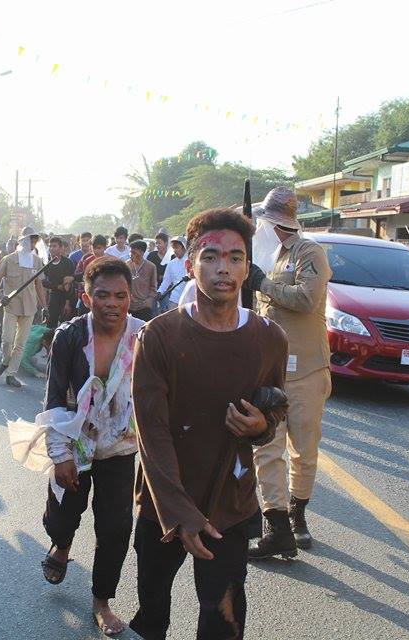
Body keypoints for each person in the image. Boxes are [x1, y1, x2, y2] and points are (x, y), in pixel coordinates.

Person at [129, 208, 288, 640]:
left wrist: (260, 426)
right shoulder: (158, 337)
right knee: (152, 611)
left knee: (223, 620)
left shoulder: (270, 339)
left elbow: (275, 408)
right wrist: (179, 512)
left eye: (236, 258)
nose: (224, 269)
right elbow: (151, 431)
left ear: (248, 268)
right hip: (165, 503)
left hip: (229, 505)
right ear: (189, 265)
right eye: (211, 256)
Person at [40, 257, 144, 637]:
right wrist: (61, 455)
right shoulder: (69, 337)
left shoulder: (144, 337)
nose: (112, 304)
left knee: (116, 528)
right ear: (86, 298)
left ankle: (101, 601)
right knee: (63, 513)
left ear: (130, 298)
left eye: (120, 295)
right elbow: (54, 398)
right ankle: (62, 544)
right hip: (76, 443)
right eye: (102, 295)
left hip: (120, 447)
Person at [248, 187, 333, 558]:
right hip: (272, 370)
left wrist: (263, 284)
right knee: (267, 448)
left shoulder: (309, 252)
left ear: (273, 222)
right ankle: (277, 525)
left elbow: (307, 299)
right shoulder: (273, 256)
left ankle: (298, 515)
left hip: (307, 371)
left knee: (303, 450)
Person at [0, 226, 46, 389]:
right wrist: (0, 296)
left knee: (20, 344)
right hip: (11, 306)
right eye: (30, 240)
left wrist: (44, 306)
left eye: (35, 241)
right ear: (23, 241)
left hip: (29, 307)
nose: (33, 243)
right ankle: (5, 361)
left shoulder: (37, 261)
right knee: (7, 341)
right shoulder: (9, 259)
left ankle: (11, 374)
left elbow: (39, 285)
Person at [42, 236, 75, 329]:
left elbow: (69, 283)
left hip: (67, 297)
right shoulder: (46, 264)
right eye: (50, 246)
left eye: (54, 246)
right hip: (53, 296)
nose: (51, 248)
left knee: (66, 325)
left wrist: (67, 303)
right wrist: (56, 287)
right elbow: (43, 282)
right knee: (51, 323)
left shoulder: (67, 263)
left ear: (61, 248)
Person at [74, 234, 107, 315]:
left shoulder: (109, 261)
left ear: (104, 247)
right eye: (93, 248)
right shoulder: (86, 260)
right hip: (87, 296)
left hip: (104, 298)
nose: (96, 251)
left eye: (99, 248)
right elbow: (79, 276)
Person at [155, 236, 188, 314]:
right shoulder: (171, 263)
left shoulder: (192, 262)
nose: (174, 250)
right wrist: (159, 292)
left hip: (189, 300)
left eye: (176, 247)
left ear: (183, 247)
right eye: (173, 248)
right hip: (174, 299)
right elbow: (166, 280)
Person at [127, 240, 157, 322]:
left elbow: (153, 287)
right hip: (129, 306)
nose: (131, 255)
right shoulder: (127, 265)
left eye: (134, 253)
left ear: (142, 253)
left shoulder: (151, 267)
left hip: (143, 307)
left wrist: (149, 300)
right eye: (130, 252)